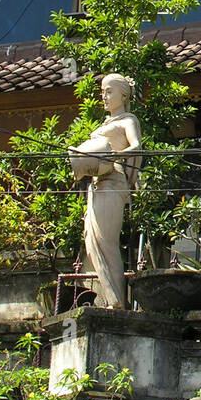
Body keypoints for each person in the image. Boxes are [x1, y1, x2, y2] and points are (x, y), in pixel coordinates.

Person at [72, 73, 141, 309]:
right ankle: (107, 298)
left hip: (114, 181)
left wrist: (114, 156)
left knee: (107, 243)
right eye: (103, 92)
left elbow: (136, 147)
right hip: (97, 183)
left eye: (109, 91)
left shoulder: (127, 120)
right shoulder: (105, 124)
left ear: (123, 95)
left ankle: (117, 301)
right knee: (93, 242)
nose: (104, 96)